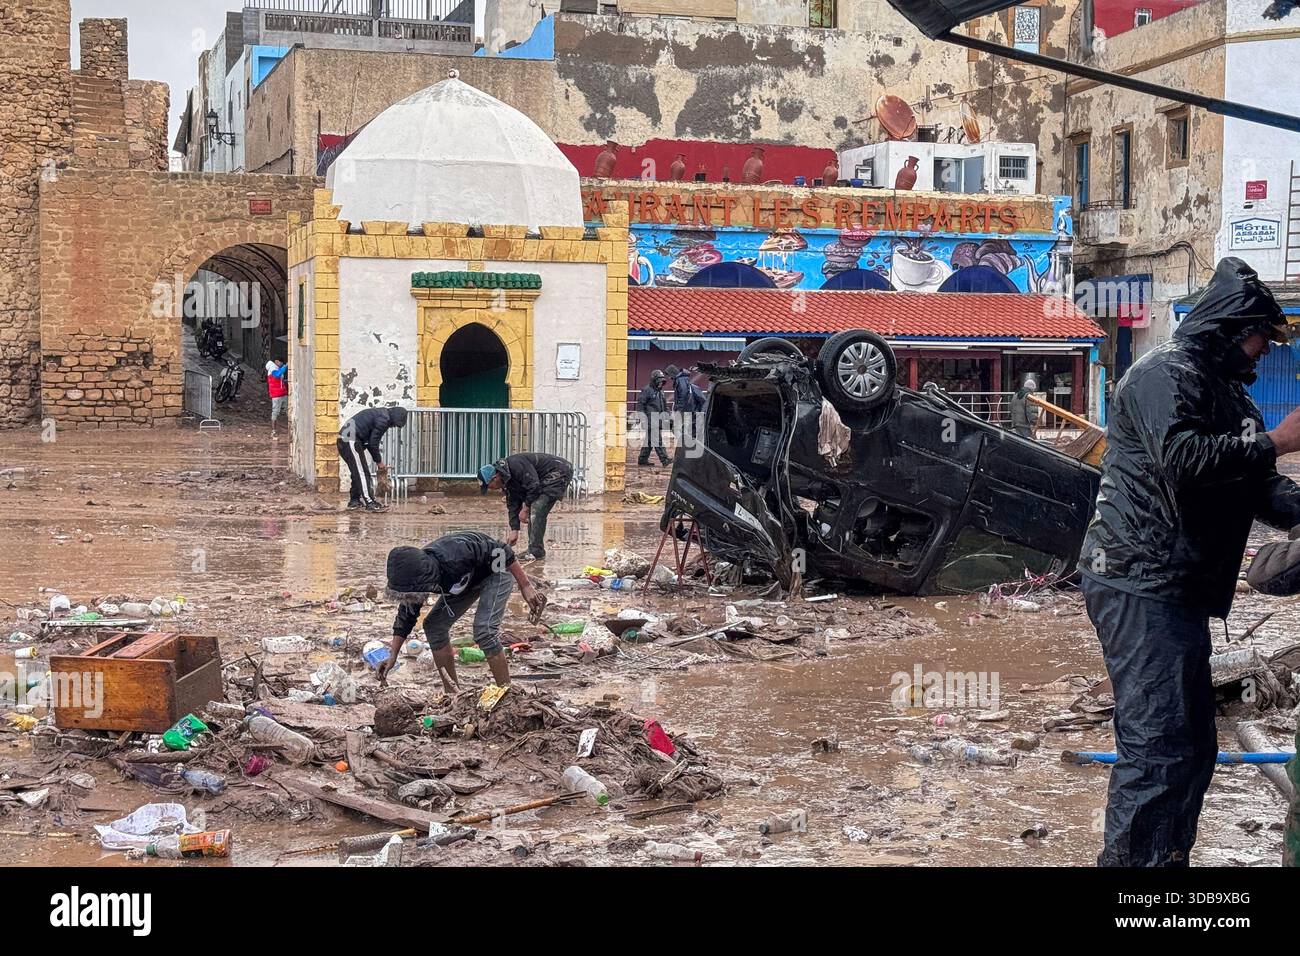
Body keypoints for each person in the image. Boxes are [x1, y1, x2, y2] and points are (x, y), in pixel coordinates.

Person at [1078, 257, 1300, 867]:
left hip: (1178, 587)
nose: (1263, 352)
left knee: (1193, 743)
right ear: (1230, 328)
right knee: (1158, 746)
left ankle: (1165, 864)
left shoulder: (1233, 398)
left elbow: (1259, 487)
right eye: (1260, 338)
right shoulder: (1161, 375)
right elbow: (1184, 459)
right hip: (1136, 579)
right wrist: (1278, 440)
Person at [377, 531, 546, 691]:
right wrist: (393, 656)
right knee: (434, 626)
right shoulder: (414, 580)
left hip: (495, 571)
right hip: (463, 582)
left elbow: (502, 550)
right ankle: (452, 693)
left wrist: (525, 586)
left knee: (484, 631)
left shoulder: (455, 555)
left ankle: (506, 692)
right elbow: (406, 617)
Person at [478, 452, 573, 561]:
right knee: (534, 507)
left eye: (489, 486)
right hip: (543, 477)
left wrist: (525, 509)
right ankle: (534, 549)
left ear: (495, 478)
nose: (491, 489)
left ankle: (536, 551)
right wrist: (515, 530)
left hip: (559, 470)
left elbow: (534, 486)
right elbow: (512, 504)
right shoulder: (506, 479)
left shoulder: (515, 465)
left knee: (537, 508)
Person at [337, 405, 409, 511]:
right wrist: (379, 462)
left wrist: (378, 460)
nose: (393, 427)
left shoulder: (381, 414)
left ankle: (354, 501)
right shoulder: (384, 420)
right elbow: (373, 443)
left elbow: (371, 443)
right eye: (395, 424)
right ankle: (370, 503)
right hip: (349, 439)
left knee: (357, 471)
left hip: (346, 439)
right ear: (395, 418)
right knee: (362, 473)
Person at [665, 363, 706, 450]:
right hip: (689, 409)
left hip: (685, 410)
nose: (669, 378)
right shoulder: (683, 379)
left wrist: (678, 409)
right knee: (684, 429)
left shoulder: (680, 380)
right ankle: (687, 446)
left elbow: (683, 395)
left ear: (672, 373)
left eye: (669, 375)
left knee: (678, 429)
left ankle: (685, 447)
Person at [636, 369, 671, 467]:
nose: (661, 383)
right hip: (650, 419)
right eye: (659, 381)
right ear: (654, 380)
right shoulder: (647, 390)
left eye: (662, 382)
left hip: (658, 420)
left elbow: (664, 406)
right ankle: (664, 459)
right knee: (657, 440)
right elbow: (640, 405)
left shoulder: (661, 392)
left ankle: (642, 460)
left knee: (649, 441)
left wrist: (667, 414)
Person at [1009, 375, 1038, 439]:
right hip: (1024, 425)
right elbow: (1031, 411)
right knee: (1031, 443)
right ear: (1031, 388)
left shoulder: (1015, 395)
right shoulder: (1029, 397)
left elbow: (1011, 408)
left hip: (1015, 423)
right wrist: (1034, 422)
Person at [266, 360, 287, 439]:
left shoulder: (276, 368)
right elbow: (277, 375)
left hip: (282, 393)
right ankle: (273, 431)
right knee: (275, 412)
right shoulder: (272, 368)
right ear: (277, 361)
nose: (282, 364)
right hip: (276, 395)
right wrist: (285, 366)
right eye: (281, 363)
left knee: (285, 411)